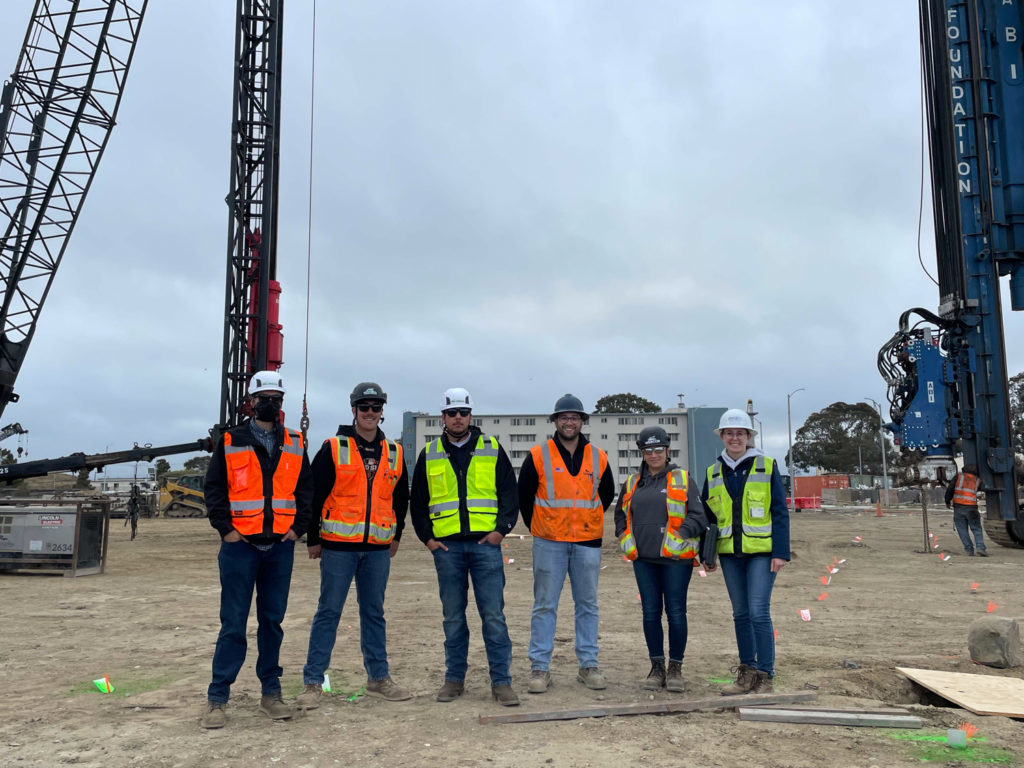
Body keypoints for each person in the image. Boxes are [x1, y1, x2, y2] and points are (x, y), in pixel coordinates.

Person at [202, 370, 313, 729]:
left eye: (275, 399)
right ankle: (218, 698)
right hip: (241, 547)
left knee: (272, 622)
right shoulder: (231, 440)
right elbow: (214, 489)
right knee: (233, 624)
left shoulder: (295, 441)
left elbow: (305, 490)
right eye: (263, 398)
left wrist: (297, 529)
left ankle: (271, 693)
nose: (270, 404)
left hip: (279, 547)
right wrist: (226, 530)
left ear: (282, 403)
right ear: (251, 401)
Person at [296, 382, 412, 711]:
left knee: (374, 614)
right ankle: (313, 682)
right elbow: (314, 494)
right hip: (338, 549)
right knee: (328, 613)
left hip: (377, 549)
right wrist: (314, 538)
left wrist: (397, 535)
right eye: (364, 407)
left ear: (382, 411)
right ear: (354, 410)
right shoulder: (334, 447)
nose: (370, 413)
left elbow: (400, 498)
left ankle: (378, 678)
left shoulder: (394, 452)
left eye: (376, 407)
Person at [409, 387, 520, 706]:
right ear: (442, 417)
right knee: (453, 617)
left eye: (463, 412)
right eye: (451, 413)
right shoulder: (429, 453)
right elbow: (418, 501)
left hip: (486, 546)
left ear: (471, 416)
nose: (458, 418)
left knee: (493, 616)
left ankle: (501, 682)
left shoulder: (491, 448)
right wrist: (428, 539)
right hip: (447, 549)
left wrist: (501, 531)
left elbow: (509, 494)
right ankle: (454, 679)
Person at [518, 394, 615, 694]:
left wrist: (586, 522)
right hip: (549, 541)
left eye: (574, 417)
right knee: (544, 605)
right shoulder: (538, 455)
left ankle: (588, 665)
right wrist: (543, 526)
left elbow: (606, 495)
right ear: (555, 421)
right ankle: (540, 667)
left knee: (587, 605)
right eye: (564, 417)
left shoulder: (598, 457)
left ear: (582, 421)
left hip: (587, 541)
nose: (569, 422)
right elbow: (525, 497)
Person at [700, 408, 790, 696]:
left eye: (740, 433)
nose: (735, 438)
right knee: (740, 614)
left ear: (749, 436)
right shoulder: (713, 472)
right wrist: (707, 555)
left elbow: (780, 511)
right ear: (722, 437)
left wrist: (781, 552)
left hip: (762, 553)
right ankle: (747, 672)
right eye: (729, 433)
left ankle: (765, 675)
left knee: (758, 612)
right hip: (730, 554)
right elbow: (708, 519)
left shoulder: (766, 465)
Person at [613, 426, 707, 692]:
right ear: (642, 453)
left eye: (658, 449)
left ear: (667, 450)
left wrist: (680, 534)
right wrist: (623, 536)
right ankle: (656, 667)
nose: (653, 455)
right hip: (644, 560)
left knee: (676, 613)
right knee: (650, 613)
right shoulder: (632, 483)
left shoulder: (683, 479)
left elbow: (699, 516)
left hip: (676, 561)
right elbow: (620, 516)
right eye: (648, 450)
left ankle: (675, 668)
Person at [945, 464, 987, 556]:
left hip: (959, 508)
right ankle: (980, 548)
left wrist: (947, 501)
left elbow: (950, 489)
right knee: (976, 528)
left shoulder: (958, 477)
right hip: (972, 508)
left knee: (962, 530)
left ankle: (969, 550)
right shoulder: (977, 480)